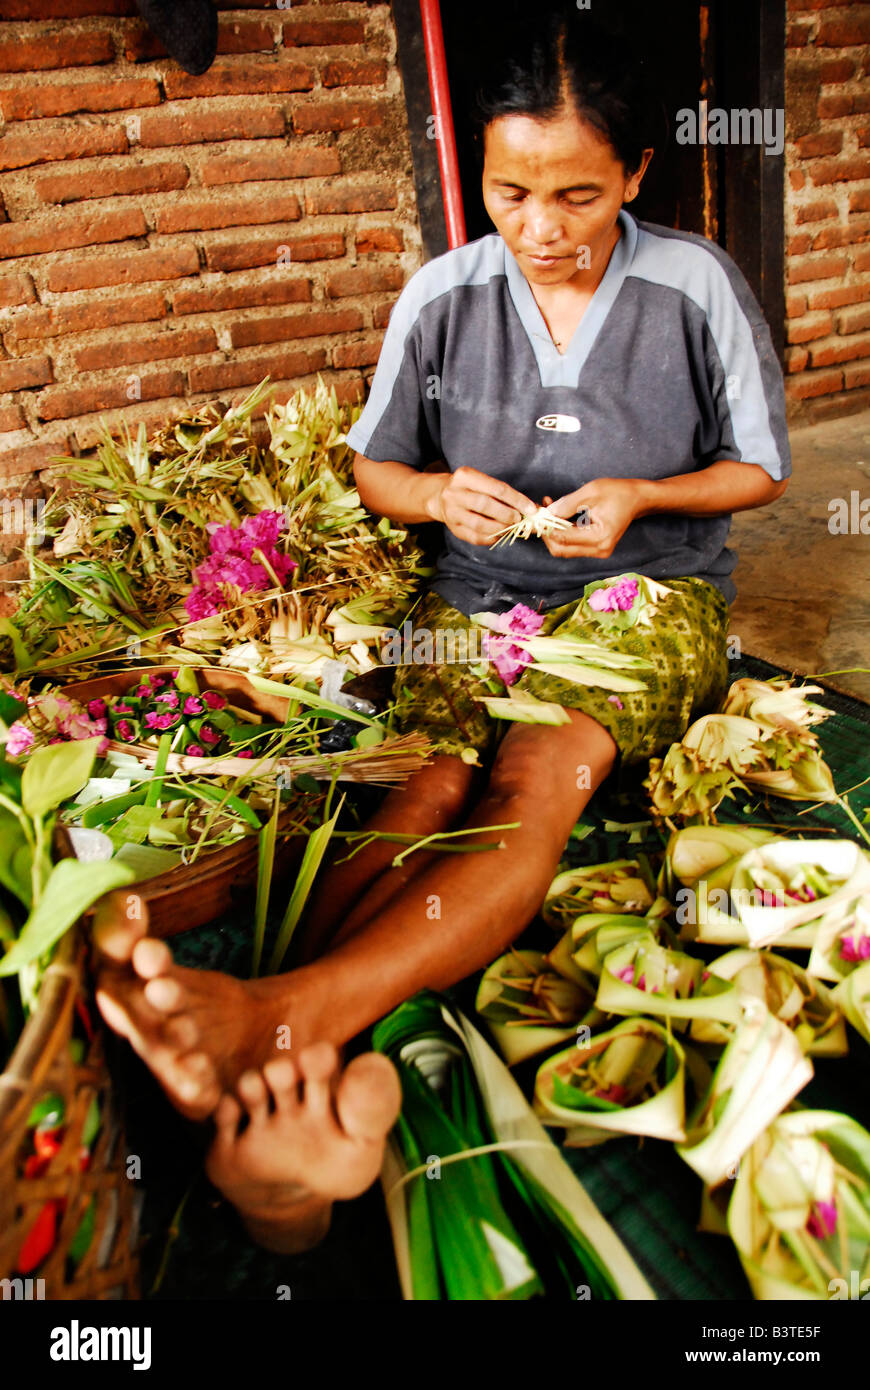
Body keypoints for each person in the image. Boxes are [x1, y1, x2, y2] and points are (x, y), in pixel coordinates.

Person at [94, 12, 790, 1253]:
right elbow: (377, 471)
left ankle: (283, 1022)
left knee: (533, 778)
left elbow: (760, 470)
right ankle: (290, 1105)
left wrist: (643, 495)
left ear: (635, 176)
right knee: (419, 788)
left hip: (650, 597)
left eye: (577, 192)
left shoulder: (694, 285)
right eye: (510, 190)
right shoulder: (444, 293)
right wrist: (438, 493)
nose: (540, 226)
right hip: (477, 598)